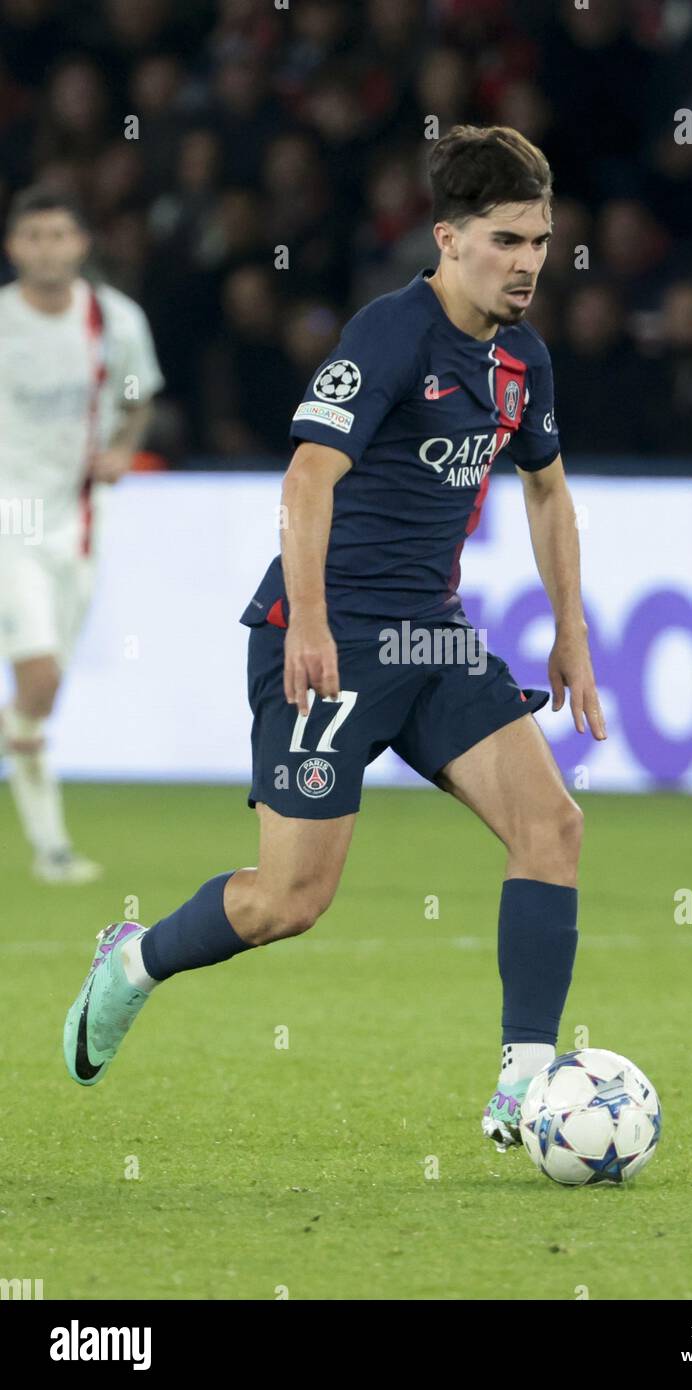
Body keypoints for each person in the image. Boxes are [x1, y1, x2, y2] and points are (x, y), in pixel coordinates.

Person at [63, 126, 606, 1151]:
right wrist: (308, 622)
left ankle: (526, 1085)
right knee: (287, 900)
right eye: (506, 238)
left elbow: (546, 490)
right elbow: (308, 476)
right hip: (325, 636)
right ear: (449, 239)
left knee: (554, 826)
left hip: (431, 643)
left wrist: (568, 632)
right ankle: (134, 960)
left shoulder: (521, 357)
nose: (529, 260)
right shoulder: (389, 334)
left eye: (540, 237)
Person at [0, 187, 164, 882]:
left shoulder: (113, 319)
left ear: (80, 244)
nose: (46, 248)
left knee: (44, 693)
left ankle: (49, 848)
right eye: (32, 236)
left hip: (78, 524)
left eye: (58, 235)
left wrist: (124, 448)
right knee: (36, 673)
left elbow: (138, 397)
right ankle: (53, 846)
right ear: (14, 248)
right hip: (9, 519)